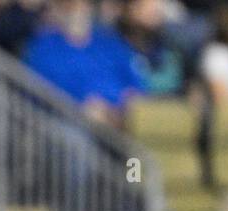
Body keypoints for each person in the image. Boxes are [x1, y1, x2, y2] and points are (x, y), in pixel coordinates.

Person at [22, 0, 144, 128]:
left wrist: (122, 106)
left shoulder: (110, 43)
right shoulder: (44, 47)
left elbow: (135, 85)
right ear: (57, 8)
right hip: (69, 122)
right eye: (70, 5)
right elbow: (38, 92)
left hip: (120, 119)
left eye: (84, 4)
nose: (78, 10)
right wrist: (83, 107)